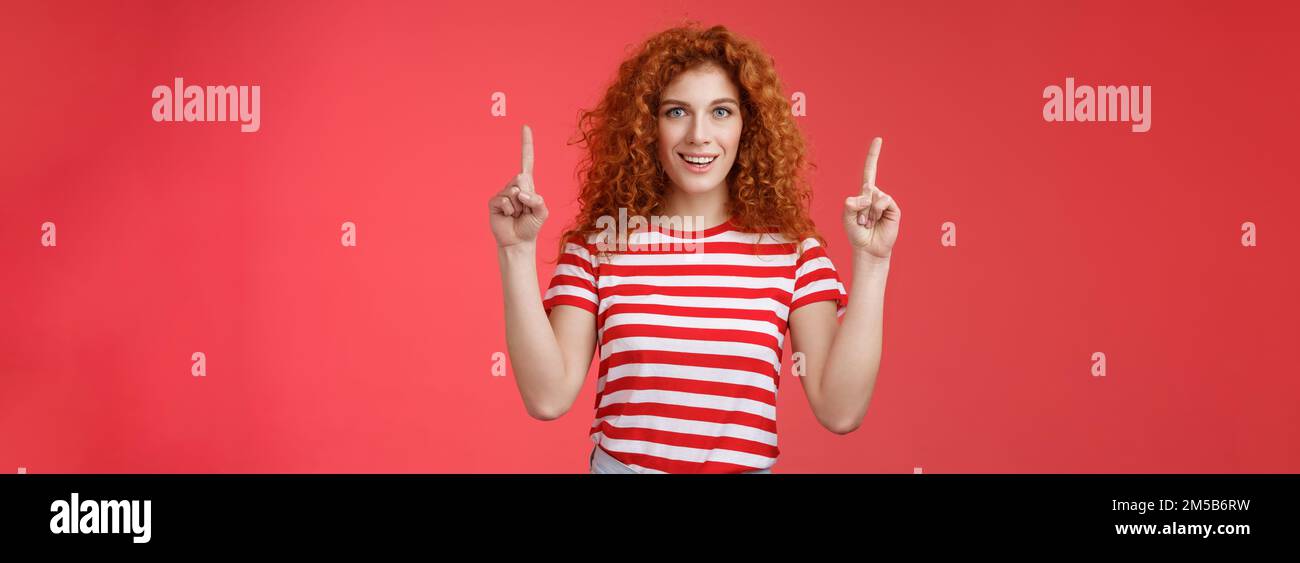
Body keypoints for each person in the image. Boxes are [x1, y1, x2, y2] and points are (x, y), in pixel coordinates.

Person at [488, 24, 900, 474]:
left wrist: (873, 262)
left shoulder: (792, 254)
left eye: (721, 112)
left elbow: (840, 412)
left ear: (749, 123)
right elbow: (547, 398)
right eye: (677, 112)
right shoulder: (600, 246)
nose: (699, 135)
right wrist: (515, 251)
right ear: (648, 125)